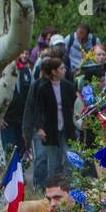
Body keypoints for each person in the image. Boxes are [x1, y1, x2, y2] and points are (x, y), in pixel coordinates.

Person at [22, 56, 77, 189]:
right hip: (51, 130)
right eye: (62, 68)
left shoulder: (68, 86)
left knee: (71, 157)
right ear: (54, 71)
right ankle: (52, 190)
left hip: (67, 129)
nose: (65, 70)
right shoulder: (43, 88)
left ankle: (68, 187)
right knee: (53, 163)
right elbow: (38, 109)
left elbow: (75, 105)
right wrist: (39, 128)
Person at [0, 50, 33, 166]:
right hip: (6, 121)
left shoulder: (26, 71)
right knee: (9, 152)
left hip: (22, 120)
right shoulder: (0, 73)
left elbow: (31, 97)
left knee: (21, 152)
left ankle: (19, 179)